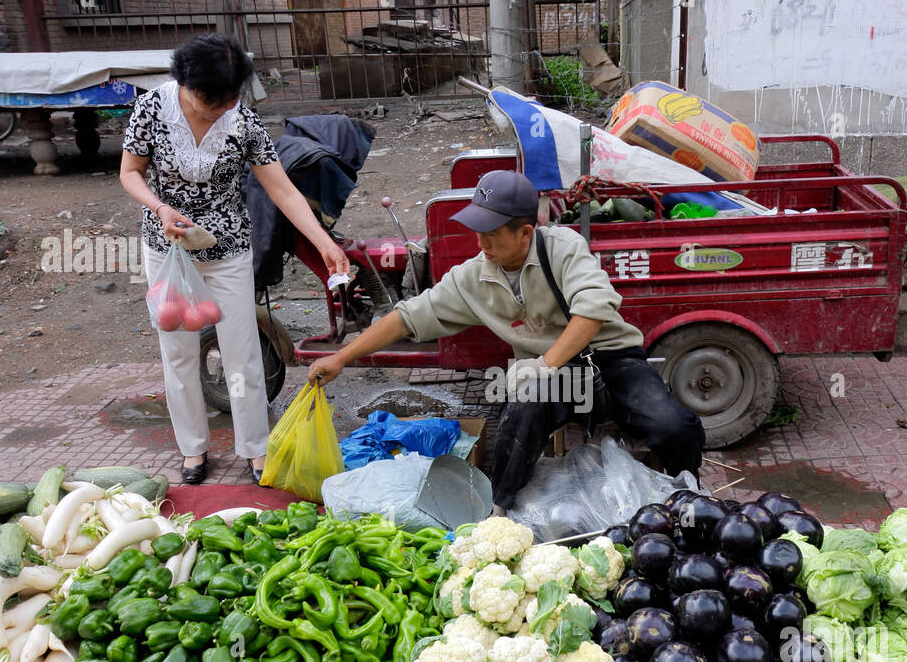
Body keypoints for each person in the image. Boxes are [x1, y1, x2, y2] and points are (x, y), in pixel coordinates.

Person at [307, 170, 705, 513]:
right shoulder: (472, 277)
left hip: (611, 359)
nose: (482, 244)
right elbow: (408, 317)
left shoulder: (563, 248)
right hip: (554, 374)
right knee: (521, 412)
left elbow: (593, 309)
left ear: (525, 233)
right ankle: (500, 510)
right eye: (478, 233)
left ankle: (691, 498)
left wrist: (545, 363)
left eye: (492, 236)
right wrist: (342, 357)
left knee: (673, 425)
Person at [120, 33, 349, 485]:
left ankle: (255, 449)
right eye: (211, 99)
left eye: (230, 98)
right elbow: (130, 173)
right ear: (183, 82)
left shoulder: (241, 120)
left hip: (227, 250)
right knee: (179, 353)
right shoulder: (150, 109)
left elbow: (281, 188)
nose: (221, 107)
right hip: (168, 250)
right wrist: (160, 207)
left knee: (241, 354)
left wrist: (323, 240)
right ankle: (192, 450)